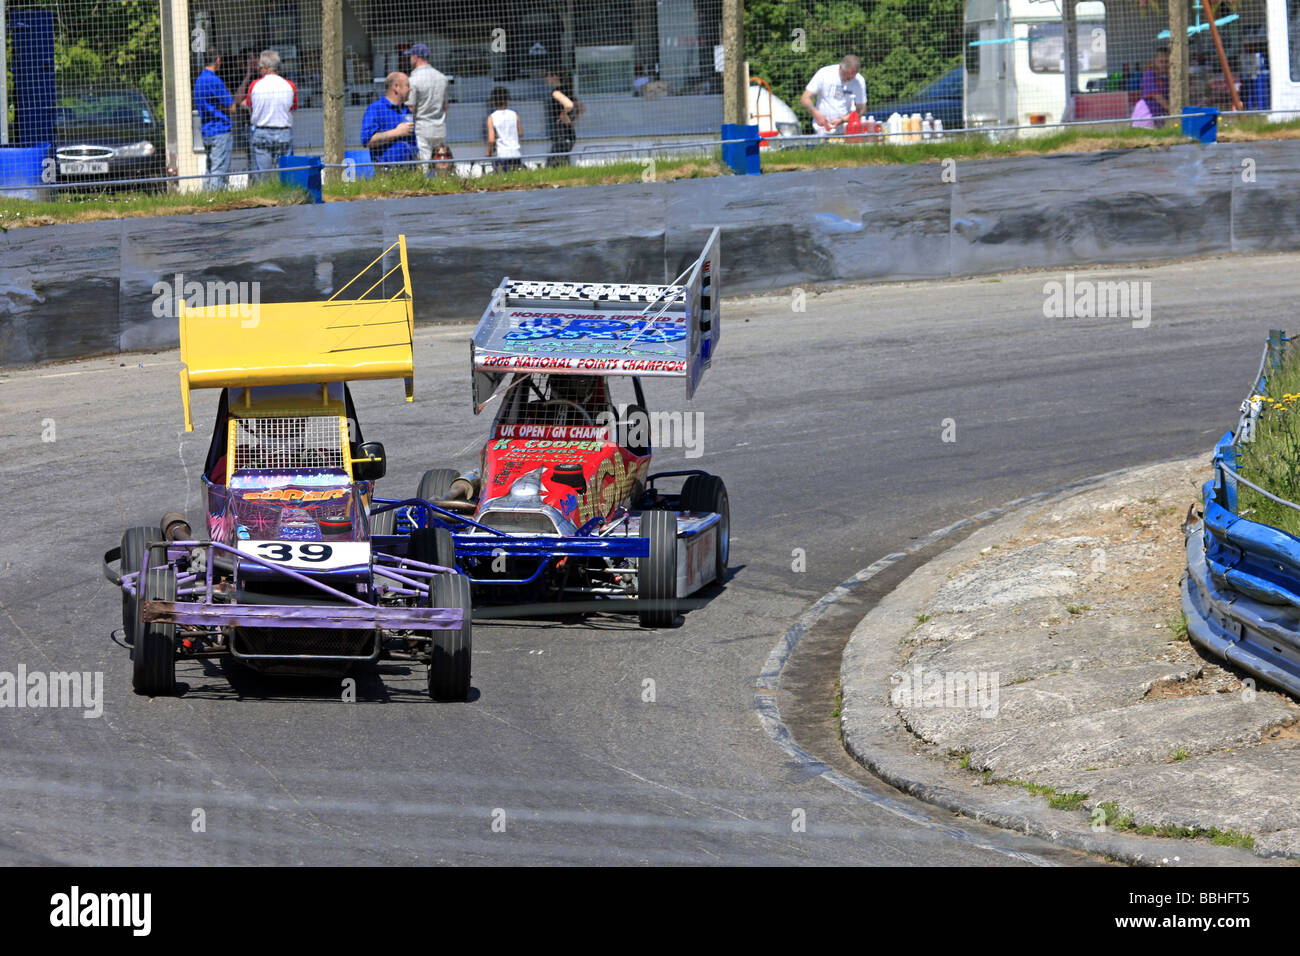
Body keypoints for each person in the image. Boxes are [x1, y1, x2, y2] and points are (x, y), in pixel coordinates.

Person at [242, 49, 297, 181]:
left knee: (264, 175)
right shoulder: (290, 86)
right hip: (283, 131)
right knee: (287, 174)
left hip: (262, 132)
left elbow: (249, 105)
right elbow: (292, 108)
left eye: (260, 67)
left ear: (266, 68)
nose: (259, 69)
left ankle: (266, 198)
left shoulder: (255, 85)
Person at [194, 50, 235, 190]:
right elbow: (232, 106)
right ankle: (216, 198)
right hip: (220, 129)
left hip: (207, 130)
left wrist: (217, 105)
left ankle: (207, 197)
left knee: (210, 168)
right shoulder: (215, 80)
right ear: (218, 60)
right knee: (219, 169)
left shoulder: (199, 80)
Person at [405, 43, 449, 169]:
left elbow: (411, 108)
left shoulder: (413, 79)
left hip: (422, 127)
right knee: (441, 164)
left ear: (415, 57)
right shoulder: (442, 77)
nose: (409, 59)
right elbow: (446, 106)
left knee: (422, 165)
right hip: (440, 127)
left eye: (410, 56)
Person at [801, 55, 867, 136]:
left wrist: (842, 120)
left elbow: (861, 110)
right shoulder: (824, 73)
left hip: (847, 131)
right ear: (840, 67)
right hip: (822, 130)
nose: (849, 78)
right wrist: (816, 114)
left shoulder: (859, 81)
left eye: (852, 76)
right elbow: (805, 98)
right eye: (846, 74)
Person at [361, 72, 416, 168]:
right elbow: (367, 140)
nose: (410, 89)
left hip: (410, 172)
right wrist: (396, 132)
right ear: (396, 87)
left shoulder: (406, 110)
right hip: (387, 173)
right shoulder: (376, 109)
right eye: (407, 85)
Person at [544, 70, 583, 167]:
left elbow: (569, 105)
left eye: (547, 75)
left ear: (555, 76)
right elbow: (582, 109)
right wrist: (571, 121)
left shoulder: (556, 92)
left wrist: (563, 115)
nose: (546, 78)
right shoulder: (568, 91)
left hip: (561, 132)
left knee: (555, 162)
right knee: (562, 160)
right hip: (569, 132)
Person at [486, 86, 522, 173]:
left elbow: (491, 140)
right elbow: (520, 133)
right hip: (515, 153)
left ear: (493, 101)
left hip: (501, 153)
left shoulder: (491, 117)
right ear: (507, 100)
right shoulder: (515, 115)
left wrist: (489, 152)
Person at [1135, 45, 1171, 128]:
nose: (1164, 64)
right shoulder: (1150, 75)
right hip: (1145, 116)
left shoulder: (1166, 76)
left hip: (1158, 117)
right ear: (1155, 61)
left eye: (1166, 61)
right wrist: (1174, 111)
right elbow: (1158, 97)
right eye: (1161, 62)